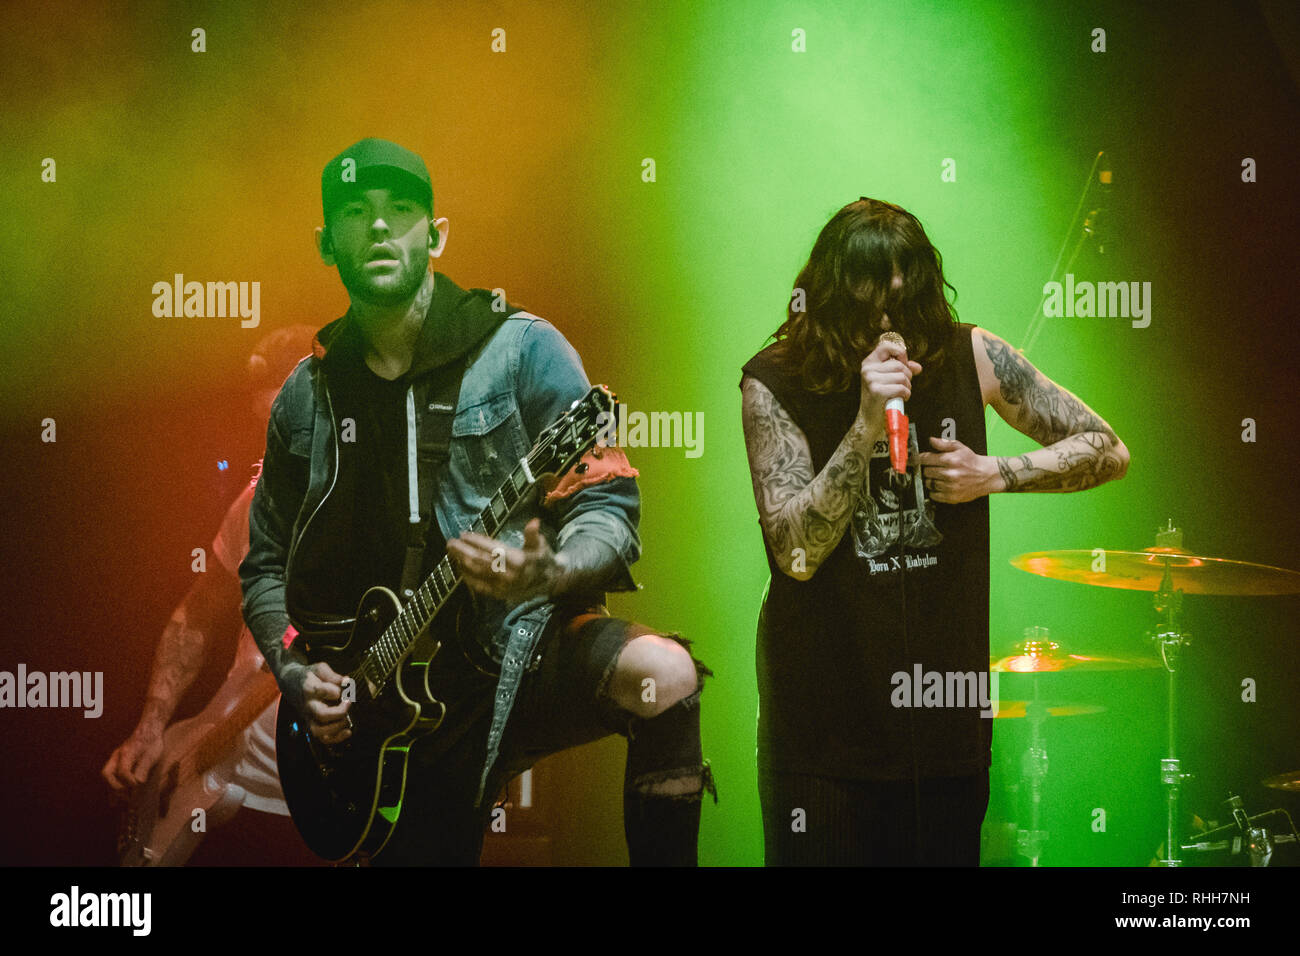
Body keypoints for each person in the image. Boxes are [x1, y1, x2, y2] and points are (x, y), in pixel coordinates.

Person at [239, 138, 713, 866]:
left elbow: (608, 508)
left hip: (514, 653)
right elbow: (264, 564)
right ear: (325, 242)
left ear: (435, 235)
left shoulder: (520, 349)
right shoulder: (308, 395)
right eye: (356, 214)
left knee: (666, 675)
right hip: (389, 711)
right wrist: (296, 671)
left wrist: (550, 570)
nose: (378, 227)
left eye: (401, 211)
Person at [739, 197, 1129, 866]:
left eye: (906, 293)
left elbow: (1108, 448)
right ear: (831, 291)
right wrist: (865, 421)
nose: (889, 318)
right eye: (871, 296)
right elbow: (796, 554)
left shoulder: (969, 354)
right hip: (824, 734)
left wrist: (996, 472)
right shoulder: (775, 380)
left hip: (942, 721)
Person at [102, 325, 322, 865]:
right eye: (267, 423)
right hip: (221, 787)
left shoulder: (373, 512)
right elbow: (198, 612)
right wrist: (152, 731)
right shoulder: (255, 504)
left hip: (313, 807)